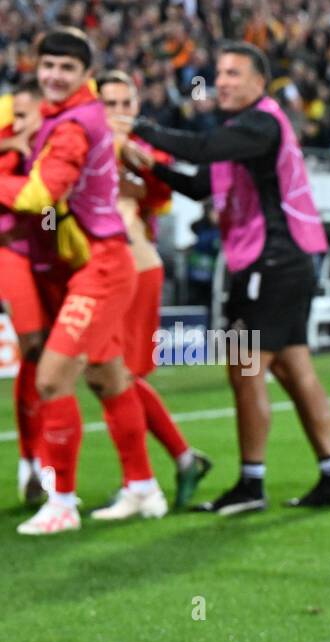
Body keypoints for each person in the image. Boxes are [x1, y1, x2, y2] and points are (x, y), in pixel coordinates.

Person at [127, 41, 330, 513]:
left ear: (258, 82)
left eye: (234, 73)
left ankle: (252, 484)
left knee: (244, 369)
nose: (223, 81)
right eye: (219, 73)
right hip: (286, 262)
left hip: (267, 265)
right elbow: (199, 181)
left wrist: (139, 128)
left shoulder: (261, 123)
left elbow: (203, 148)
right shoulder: (247, 134)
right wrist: (153, 166)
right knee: (294, 369)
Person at [0, 28, 165, 535]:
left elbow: (36, 199)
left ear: (84, 76)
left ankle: (62, 502)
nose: (53, 75)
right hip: (95, 262)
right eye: (47, 65)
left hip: (101, 267)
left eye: (66, 69)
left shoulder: (72, 126)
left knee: (50, 379)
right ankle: (143, 488)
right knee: (108, 378)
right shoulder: (62, 117)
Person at [100, 70, 212, 509]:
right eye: (109, 104)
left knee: (116, 375)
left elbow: (159, 201)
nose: (119, 113)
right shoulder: (88, 145)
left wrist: (141, 179)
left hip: (135, 268)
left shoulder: (140, 150)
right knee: (113, 376)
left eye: (126, 104)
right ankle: (177, 463)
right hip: (107, 270)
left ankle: (141, 484)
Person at [0, 80, 46, 506]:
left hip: (46, 258)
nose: (20, 123)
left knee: (42, 356)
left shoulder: (57, 146)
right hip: (9, 254)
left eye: (26, 115)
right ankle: (31, 462)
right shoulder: (7, 148)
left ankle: (36, 460)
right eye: (15, 115)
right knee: (33, 347)